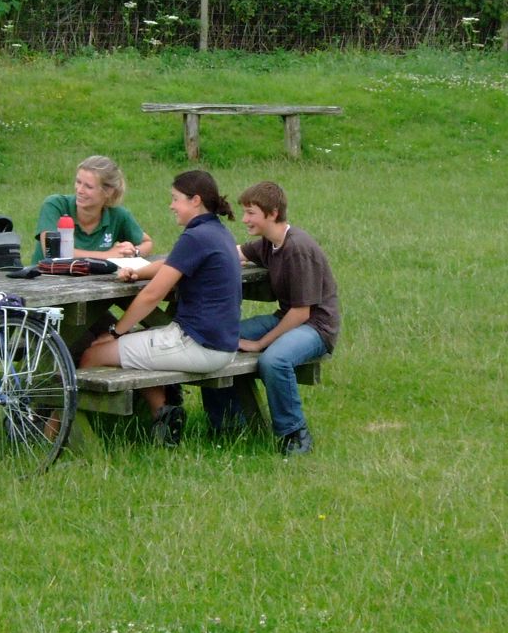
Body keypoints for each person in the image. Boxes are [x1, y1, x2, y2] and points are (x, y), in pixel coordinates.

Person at [77, 169, 241, 444]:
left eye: (175, 198)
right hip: (222, 343)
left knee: (93, 355)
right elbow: (170, 264)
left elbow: (152, 295)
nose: (171, 205)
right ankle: (163, 413)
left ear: (195, 200)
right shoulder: (216, 231)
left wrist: (116, 332)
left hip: (198, 344)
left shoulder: (195, 237)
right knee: (135, 345)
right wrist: (138, 272)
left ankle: (66, 432)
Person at [227, 180, 339, 456]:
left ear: (273, 213)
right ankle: (229, 423)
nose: (244, 219)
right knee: (220, 337)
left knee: (274, 360)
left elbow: (302, 312)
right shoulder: (269, 243)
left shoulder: (297, 249)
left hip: (315, 327)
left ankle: (295, 434)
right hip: (288, 319)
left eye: (251, 213)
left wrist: (259, 343)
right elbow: (235, 252)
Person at [37, 155, 152, 260]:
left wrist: (133, 252)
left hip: (98, 276)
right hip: (46, 275)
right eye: (78, 182)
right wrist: (107, 255)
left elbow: (147, 243)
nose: (79, 190)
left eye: (88, 186)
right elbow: (53, 252)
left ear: (108, 191)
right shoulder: (55, 205)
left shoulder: (117, 215)